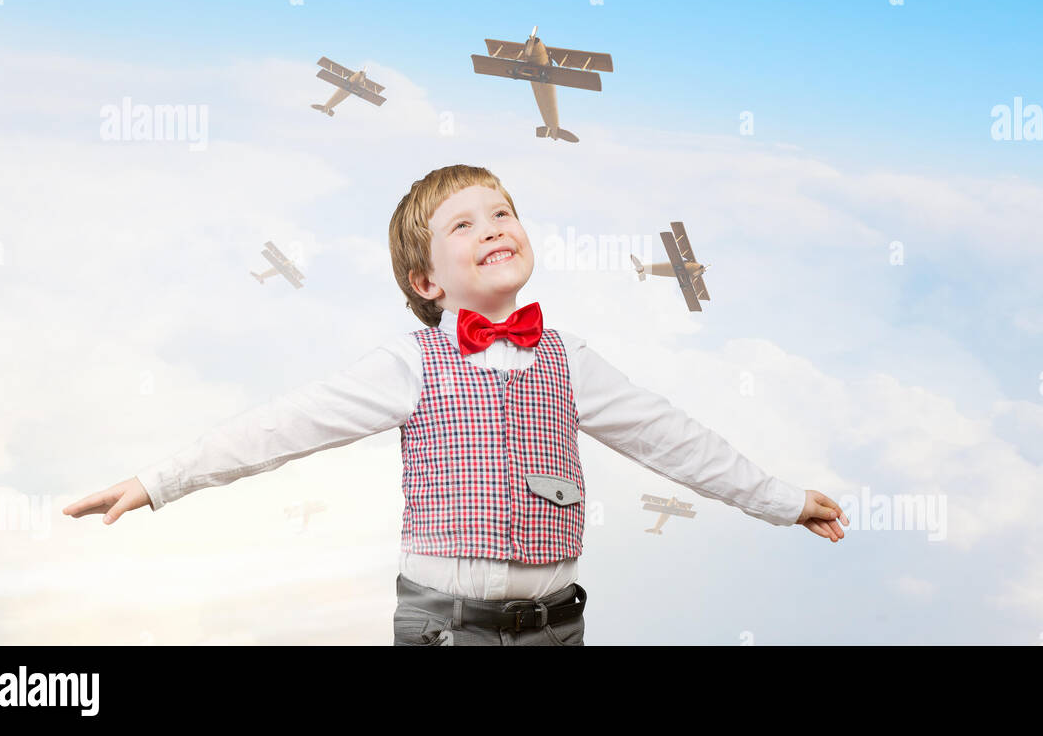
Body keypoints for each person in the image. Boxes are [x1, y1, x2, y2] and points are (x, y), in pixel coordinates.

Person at [64, 164, 849, 645]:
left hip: (557, 626)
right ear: (427, 282)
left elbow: (675, 440)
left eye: (503, 212)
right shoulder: (410, 362)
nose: (494, 227)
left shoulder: (570, 360)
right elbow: (285, 425)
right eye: (464, 223)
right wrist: (160, 481)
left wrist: (782, 501)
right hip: (445, 627)